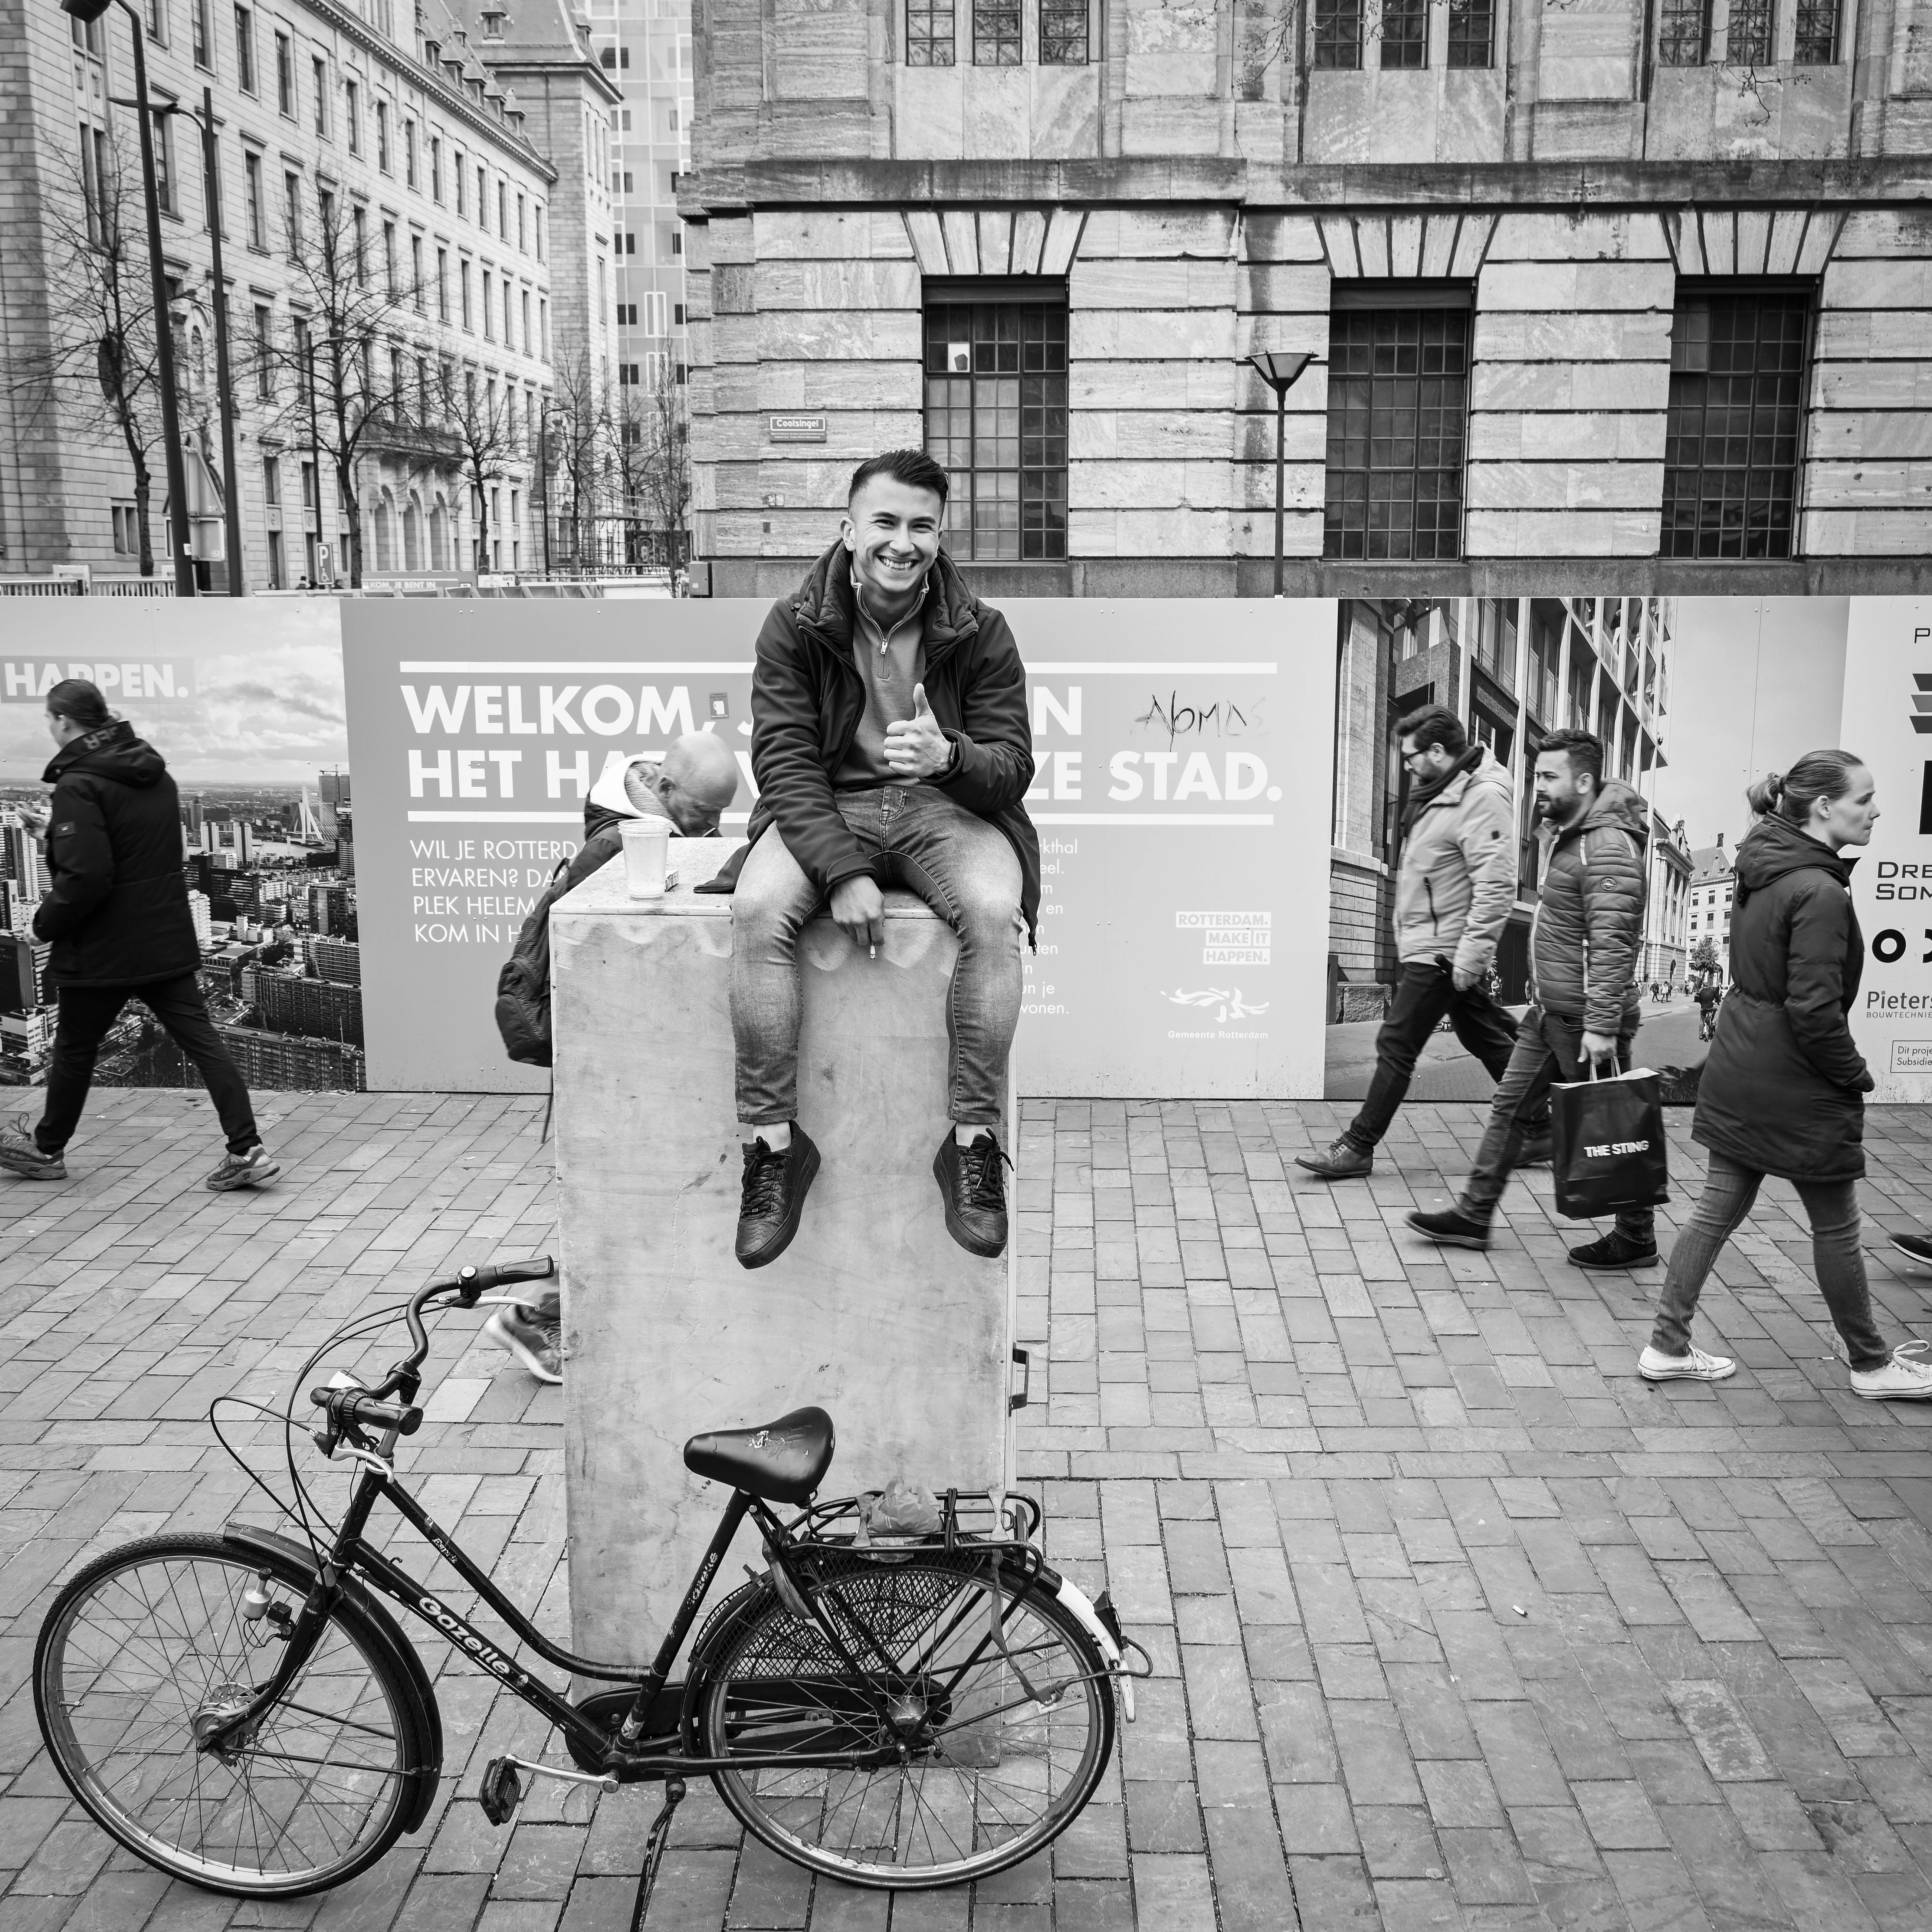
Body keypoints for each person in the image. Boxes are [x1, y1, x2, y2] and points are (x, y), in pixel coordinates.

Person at [721, 449, 1036, 1269]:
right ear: (849, 527)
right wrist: (842, 870)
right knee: (755, 911)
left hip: (943, 808)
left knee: (996, 915)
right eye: (886, 522)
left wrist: (949, 756)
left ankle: (970, 1144)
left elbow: (1011, 765)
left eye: (921, 525)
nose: (903, 542)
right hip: (831, 809)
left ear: (940, 534)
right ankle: (771, 1147)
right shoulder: (794, 624)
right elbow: (784, 760)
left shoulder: (981, 629)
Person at [1639, 754, 1932, 1397]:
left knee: (1714, 1210)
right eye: (1865, 798)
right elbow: (1814, 1010)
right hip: (1794, 1078)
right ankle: (1872, 1363)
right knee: (1835, 1225)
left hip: (1743, 1061)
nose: (1876, 810)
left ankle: (1666, 1343)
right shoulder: (1819, 889)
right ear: (1824, 807)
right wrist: (1853, 1074)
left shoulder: (1762, 863)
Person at [484, 731, 740, 1383]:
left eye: (721, 812)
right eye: (703, 810)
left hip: (628, 1050)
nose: (712, 824)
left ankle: (561, 1312)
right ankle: (540, 1318)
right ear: (665, 787)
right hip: (611, 1055)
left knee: (628, 1196)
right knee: (622, 1198)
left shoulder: (653, 828)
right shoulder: (620, 846)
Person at [0, 680, 279, 1190]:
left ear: (64, 720)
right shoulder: (156, 773)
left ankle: (46, 1148)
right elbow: (129, 847)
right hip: (164, 935)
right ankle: (247, 1149)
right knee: (203, 1041)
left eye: (49, 720)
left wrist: (42, 925)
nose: (49, 729)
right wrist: (53, 832)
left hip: (106, 948)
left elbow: (88, 876)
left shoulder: (79, 783)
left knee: (76, 1048)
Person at [1407, 728, 1657, 1269]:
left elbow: (1613, 943)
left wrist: (1600, 1024)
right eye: (1535, 775)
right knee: (1508, 1108)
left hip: (1584, 1020)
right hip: (1550, 1014)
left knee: (1614, 1125)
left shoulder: (1605, 844)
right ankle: (1474, 1213)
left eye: (1548, 776)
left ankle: (1635, 1235)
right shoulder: (1571, 837)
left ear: (1583, 780)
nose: (1537, 786)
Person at [1298, 704, 1548, 1180]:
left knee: (1396, 1043)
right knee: (1484, 1035)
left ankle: (1357, 1145)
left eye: (1413, 755)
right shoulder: (1440, 791)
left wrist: (1471, 955)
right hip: (1433, 944)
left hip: (1442, 949)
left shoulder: (1482, 796)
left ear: (1438, 750)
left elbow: (1496, 884)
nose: (1407, 763)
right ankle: (1538, 1125)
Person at [1693, 976, 1722, 1041]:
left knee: (1702, 1021)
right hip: (1711, 1008)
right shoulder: (1712, 991)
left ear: (1704, 986)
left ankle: (1701, 1034)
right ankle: (1714, 1022)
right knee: (1717, 1010)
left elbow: (1700, 1000)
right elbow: (1716, 998)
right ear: (1708, 986)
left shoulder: (1702, 992)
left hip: (1703, 1008)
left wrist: (1702, 1004)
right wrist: (1716, 1002)